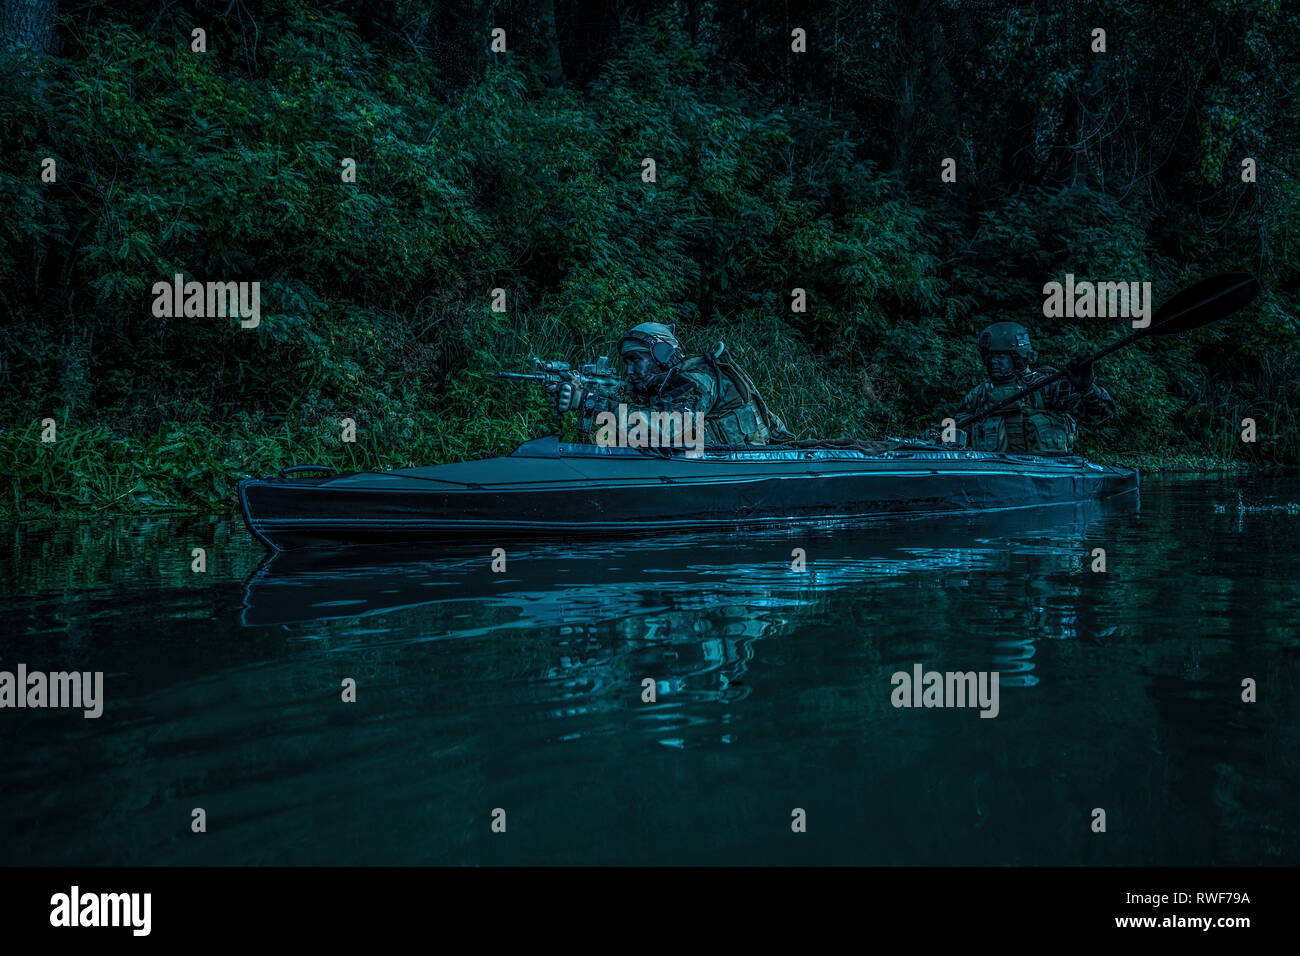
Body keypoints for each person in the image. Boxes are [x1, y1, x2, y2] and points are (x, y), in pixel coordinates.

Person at [549, 322, 792, 446]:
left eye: (635, 360)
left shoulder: (695, 380)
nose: (629, 370)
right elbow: (636, 414)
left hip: (747, 467)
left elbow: (668, 431)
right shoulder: (660, 386)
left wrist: (590, 402)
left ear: (662, 355)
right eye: (626, 362)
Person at [954, 321, 1116, 454]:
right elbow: (956, 433)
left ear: (1018, 357)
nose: (993, 362)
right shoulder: (980, 395)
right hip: (998, 476)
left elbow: (1100, 414)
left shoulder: (1047, 387)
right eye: (989, 356)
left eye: (1000, 356)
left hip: (1047, 477)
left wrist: (1087, 388)